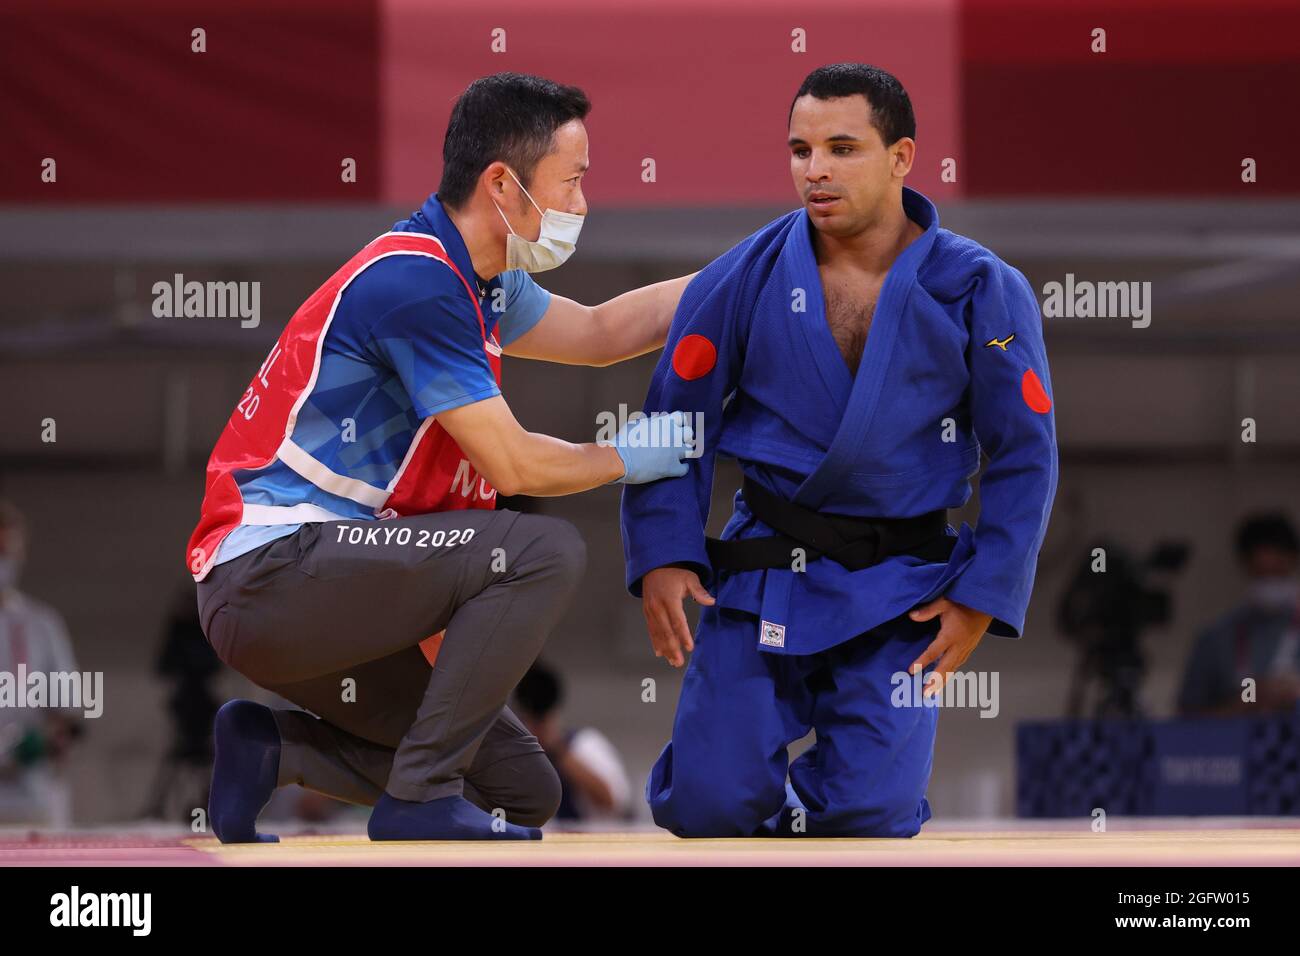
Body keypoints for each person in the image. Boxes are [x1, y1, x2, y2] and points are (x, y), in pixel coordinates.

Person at [190, 73, 696, 843]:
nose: (583, 206)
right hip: (271, 575)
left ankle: (272, 751)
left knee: (522, 788)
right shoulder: (418, 282)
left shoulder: (480, 285)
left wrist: (750, 273)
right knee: (542, 550)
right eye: (575, 182)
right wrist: (628, 455)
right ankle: (419, 800)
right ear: (503, 183)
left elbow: (600, 334)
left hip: (323, 590)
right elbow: (516, 469)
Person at [622, 63, 1059, 838]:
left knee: (871, 812)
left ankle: (812, 811)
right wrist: (664, 550)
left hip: (902, 585)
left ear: (901, 156)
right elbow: (672, 419)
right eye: (799, 149)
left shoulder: (981, 287)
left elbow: (1026, 452)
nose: (814, 170)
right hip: (764, 574)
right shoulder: (742, 276)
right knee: (708, 805)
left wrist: (985, 593)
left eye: (842, 147)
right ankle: (731, 783)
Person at [0, 500, 81, 827]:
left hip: (31, 799)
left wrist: (37, 745)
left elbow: (67, 715)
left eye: (6, 552)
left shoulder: (41, 624)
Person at [1178, 512, 1300, 716]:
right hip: (1234, 742)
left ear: (1294, 561)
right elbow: (1186, 720)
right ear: (1246, 567)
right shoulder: (1216, 638)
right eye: (1262, 574)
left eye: (1277, 573)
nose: (1270, 582)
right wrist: (1244, 703)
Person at [513, 663, 633, 822]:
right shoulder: (519, 755)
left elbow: (611, 801)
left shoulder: (585, 743)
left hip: (592, 841)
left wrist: (555, 745)